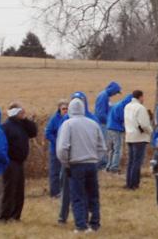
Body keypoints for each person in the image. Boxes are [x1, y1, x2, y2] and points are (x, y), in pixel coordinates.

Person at [56, 98, 106, 232]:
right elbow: (102, 146)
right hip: (91, 164)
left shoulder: (68, 124)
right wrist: (97, 160)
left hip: (75, 164)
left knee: (77, 196)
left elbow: (62, 148)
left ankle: (81, 225)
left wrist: (65, 163)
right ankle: (95, 224)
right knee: (93, 195)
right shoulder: (93, 124)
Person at [0, 103, 37, 221]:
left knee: (19, 190)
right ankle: (5, 215)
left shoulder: (22, 125)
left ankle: (16, 215)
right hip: (10, 161)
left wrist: (25, 119)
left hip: (20, 162)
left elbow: (33, 132)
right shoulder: (6, 127)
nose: (23, 114)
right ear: (15, 113)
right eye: (21, 112)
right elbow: (2, 146)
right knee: (9, 189)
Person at [123, 90, 153, 190]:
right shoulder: (140, 108)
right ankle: (134, 184)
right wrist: (150, 131)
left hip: (129, 136)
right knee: (137, 162)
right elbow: (144, 124)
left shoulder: (127, 107)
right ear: (140, 97)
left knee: (131, 161)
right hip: (139, 137)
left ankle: (128, 182)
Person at [45, 99, 68, 199]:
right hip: (55, 150)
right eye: (63, 109)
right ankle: (54, 192)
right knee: (55, 171)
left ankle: (65, 191)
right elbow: (48, 133)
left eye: (67, 108)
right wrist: (57, 142)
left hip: (67, 150)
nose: (65, 110)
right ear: (59, 109)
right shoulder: (54, 119)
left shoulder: (70, 118)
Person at [93, 81, 121, 168]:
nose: (115, 94)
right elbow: (100, 113)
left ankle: (103, 163)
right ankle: (101, 164)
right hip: (102, 124)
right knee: (103, 144)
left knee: (105, 144)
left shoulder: (105, 96)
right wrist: (109, 121)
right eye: (116, 92)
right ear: (112, 90)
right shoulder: (103, 96)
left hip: (104, 124)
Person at [105, 92, 133, 173]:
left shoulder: (117, 104)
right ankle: (114, 167)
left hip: (109, 127)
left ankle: (109, 165)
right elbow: (122, 118)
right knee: (117, 149)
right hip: (116, 129)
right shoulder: (122, 107)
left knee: (111, 149)